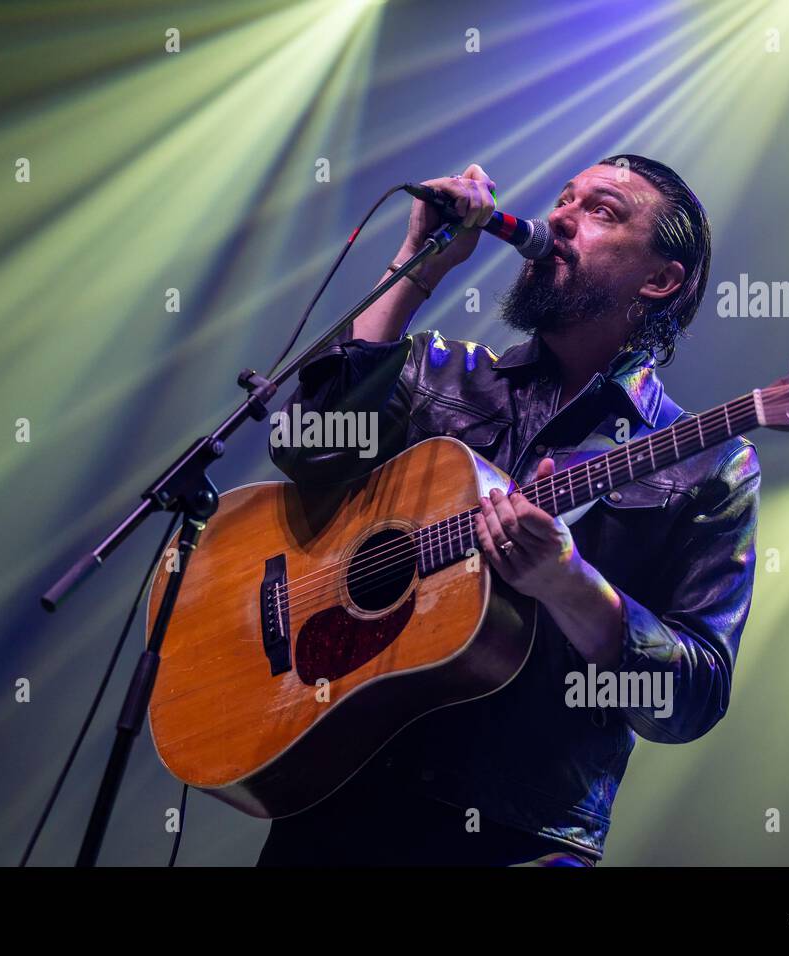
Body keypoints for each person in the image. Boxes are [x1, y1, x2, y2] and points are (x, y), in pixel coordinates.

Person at [259, 155, 760, 866]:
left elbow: (691, 700)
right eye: (564, 198)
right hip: (340, 790)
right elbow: (303, 443)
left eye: (601, 210)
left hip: (515, 839)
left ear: (659, 279)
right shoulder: (437, 373)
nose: (559, 216)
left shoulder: (710, 466)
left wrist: (570, 585)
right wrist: (417, 262)